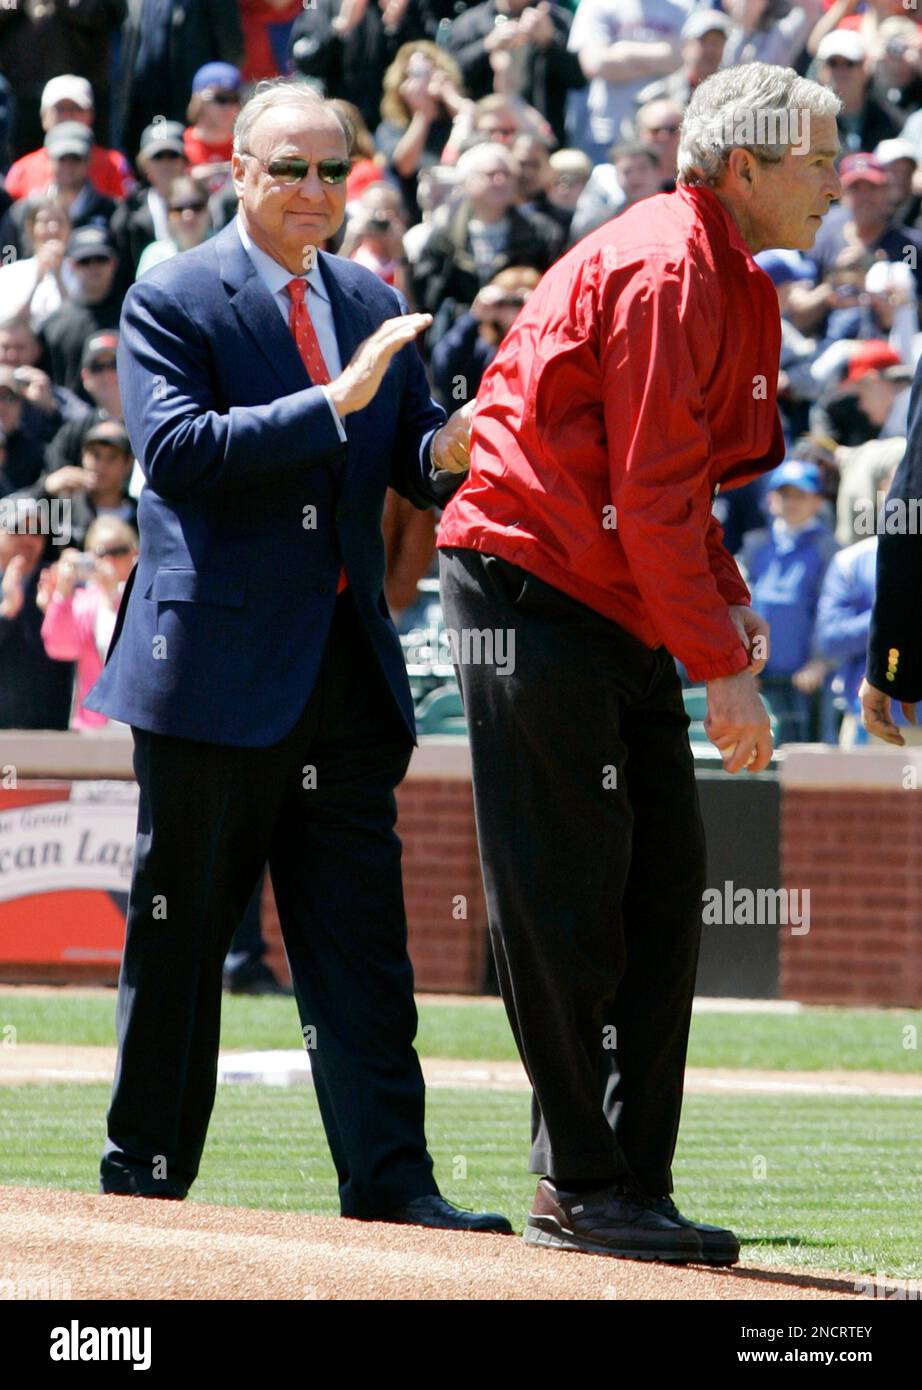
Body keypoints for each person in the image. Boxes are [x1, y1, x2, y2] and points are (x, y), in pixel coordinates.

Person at [83, 78, 509, 1235]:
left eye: (333, 170)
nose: (314, 190)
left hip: (344, 676)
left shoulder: (371, 293)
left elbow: (410, 457)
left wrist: (449, 443)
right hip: (211, 675)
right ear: (237, 173)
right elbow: (174, 453)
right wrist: (335, 398)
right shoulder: (172, 294)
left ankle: (394, 1183)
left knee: (362, 951)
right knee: (178, 940)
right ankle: (146, 1181)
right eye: (289, 168)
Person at [437, 62, 841, 1263]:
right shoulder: (671, 263)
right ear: (746, 166)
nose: (840, 178)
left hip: (608, 588)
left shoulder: (728, 273)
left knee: (664, 886)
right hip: (532, 577)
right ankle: (583, 1179)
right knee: (565, 887)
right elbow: (649, 486)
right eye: (819, 157)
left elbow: (682, 491)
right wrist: (721, 665)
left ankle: (625, 1183)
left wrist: (721, 603)